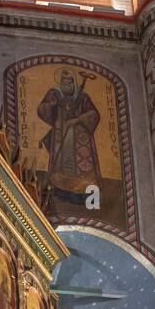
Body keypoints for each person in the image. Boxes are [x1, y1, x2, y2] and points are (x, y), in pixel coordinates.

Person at [37, 68, 101, 206]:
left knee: (80, 166)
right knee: (62, 165)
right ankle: (60, 192)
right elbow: (42, 109)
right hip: (61, 134)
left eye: (69, 82)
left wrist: (78, 119)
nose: (66, 85)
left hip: (80, 138)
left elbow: (94, 115)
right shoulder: (54, 94)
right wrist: (51, 106)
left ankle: (84, 197)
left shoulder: (83, 97)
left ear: (74, 82)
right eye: (63, 82)